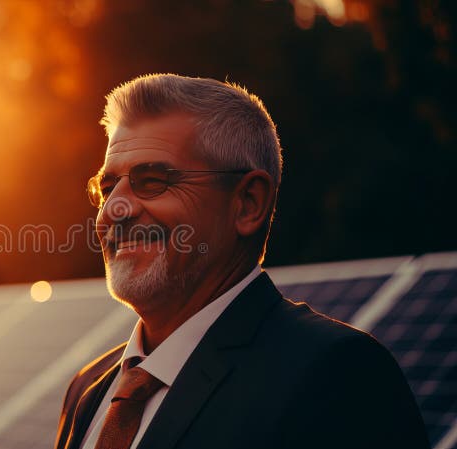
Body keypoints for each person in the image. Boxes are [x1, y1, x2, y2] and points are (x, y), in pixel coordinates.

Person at [54, 74, 429, 449]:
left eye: (152, 180)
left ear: (248, 203)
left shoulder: (339, 376)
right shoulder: (87, 389)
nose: (113, 211)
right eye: (106, 188)